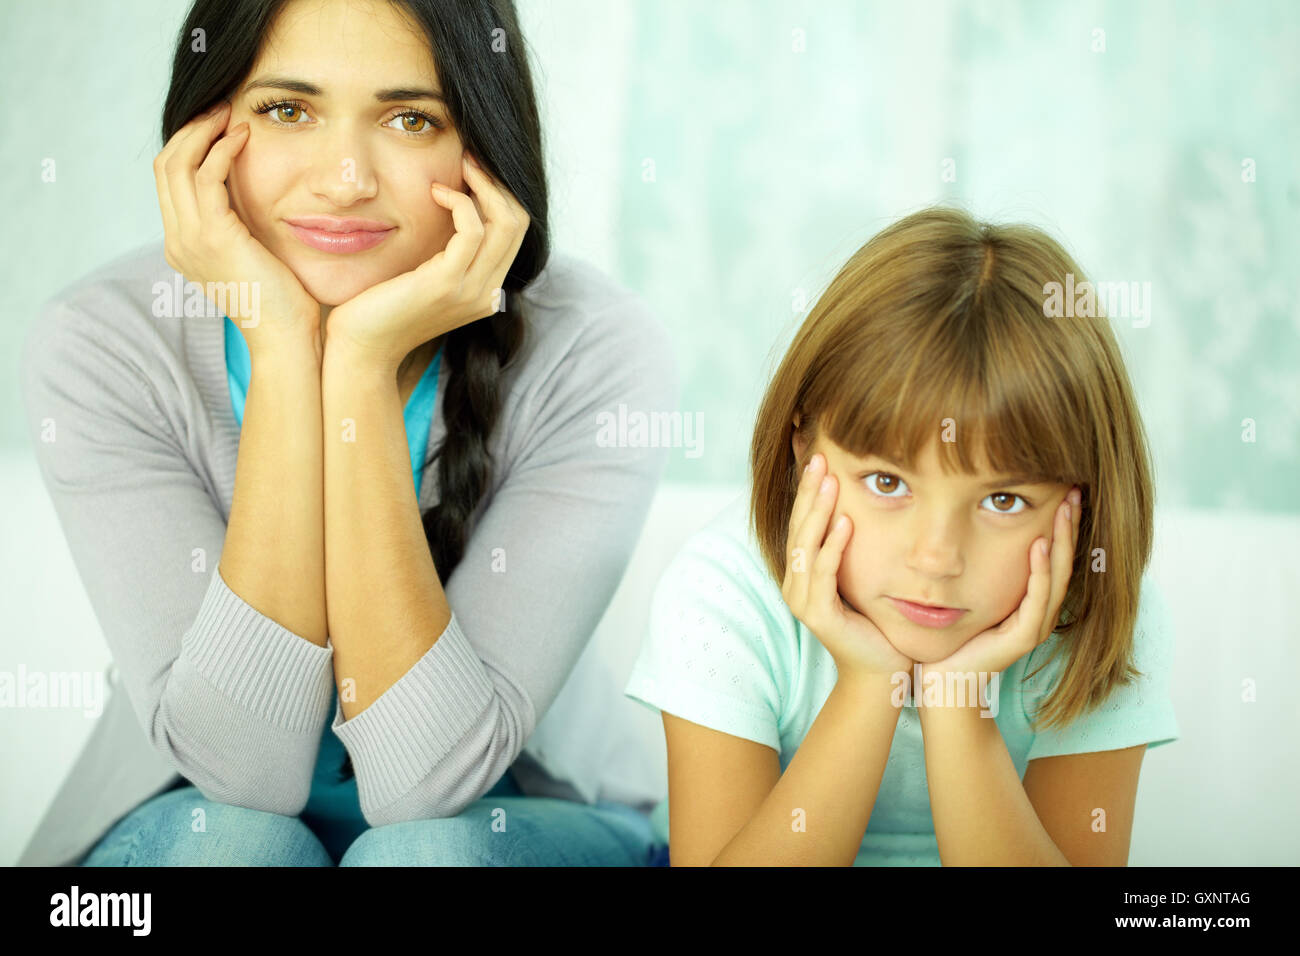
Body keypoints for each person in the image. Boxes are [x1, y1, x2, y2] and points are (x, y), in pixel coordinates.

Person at [18, 0, 676, 867]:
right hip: (195, 826)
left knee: (420, 857)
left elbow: (424, 788)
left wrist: (360, 364)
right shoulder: (104, 340)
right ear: (199, 138)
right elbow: (243, 776)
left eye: (410, 119)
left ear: (485, 148)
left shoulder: (593, 348)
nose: (344, 178)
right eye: (288, 110)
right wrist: (285, 343)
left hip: (507, 824)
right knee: (235, 847)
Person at [625, 206, 1179, 866]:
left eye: (1002, 500)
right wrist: (868, 683)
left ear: (1083, 503)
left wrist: (958, 706)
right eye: (888, 483)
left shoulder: (1100, 616)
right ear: (802, 447)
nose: (936, 558)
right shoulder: (725, 592)